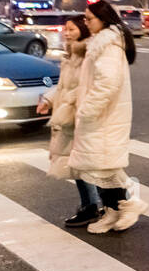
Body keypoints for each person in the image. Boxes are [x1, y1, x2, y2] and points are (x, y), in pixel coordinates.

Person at [68, 0, 147, 233]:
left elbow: (107, 84)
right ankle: (113, 211)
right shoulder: (101, 44)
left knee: (103, 166)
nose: (86, 23)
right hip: (102, 116)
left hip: (103, 117)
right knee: (100, 166)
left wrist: (87, 110)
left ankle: (130, 203)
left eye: (89, 18)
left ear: (103, 19)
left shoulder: (108, 46)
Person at [35, 15, 103, 227]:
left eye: (72, 29)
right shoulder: (70, 55)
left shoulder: (87, 56)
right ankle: (92, 205)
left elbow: (85, 88)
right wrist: (49, 99)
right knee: (78, 165)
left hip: (80, 116)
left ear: (83, 30)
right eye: (66, 29)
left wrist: (67, 104)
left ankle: (101, 205)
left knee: (88, 165)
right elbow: (64, 87)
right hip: (69, 115)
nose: (67, 33)